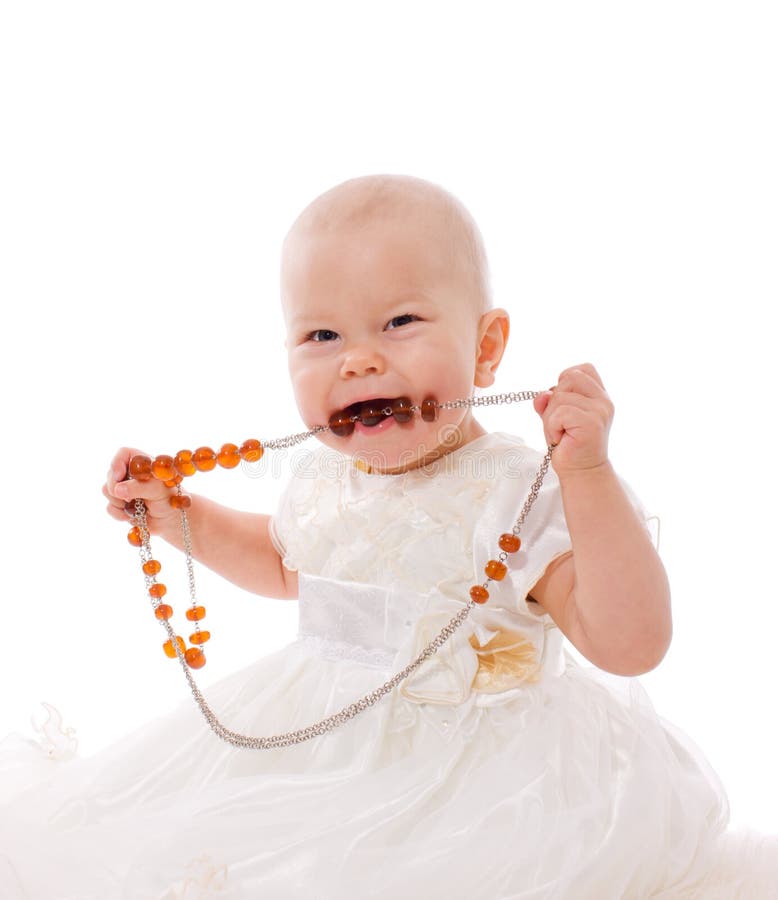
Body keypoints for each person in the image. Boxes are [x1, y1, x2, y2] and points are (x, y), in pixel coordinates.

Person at [1, 174, 776, 898]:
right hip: (317, 735)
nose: (359, 357)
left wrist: (590, 478)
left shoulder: (517, 487)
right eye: (321, 335)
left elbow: (630, 644)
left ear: (486, 346)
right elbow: (283, 565)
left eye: (400, 322)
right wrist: (180, 517)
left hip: (485, 773)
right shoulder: (320, 478)